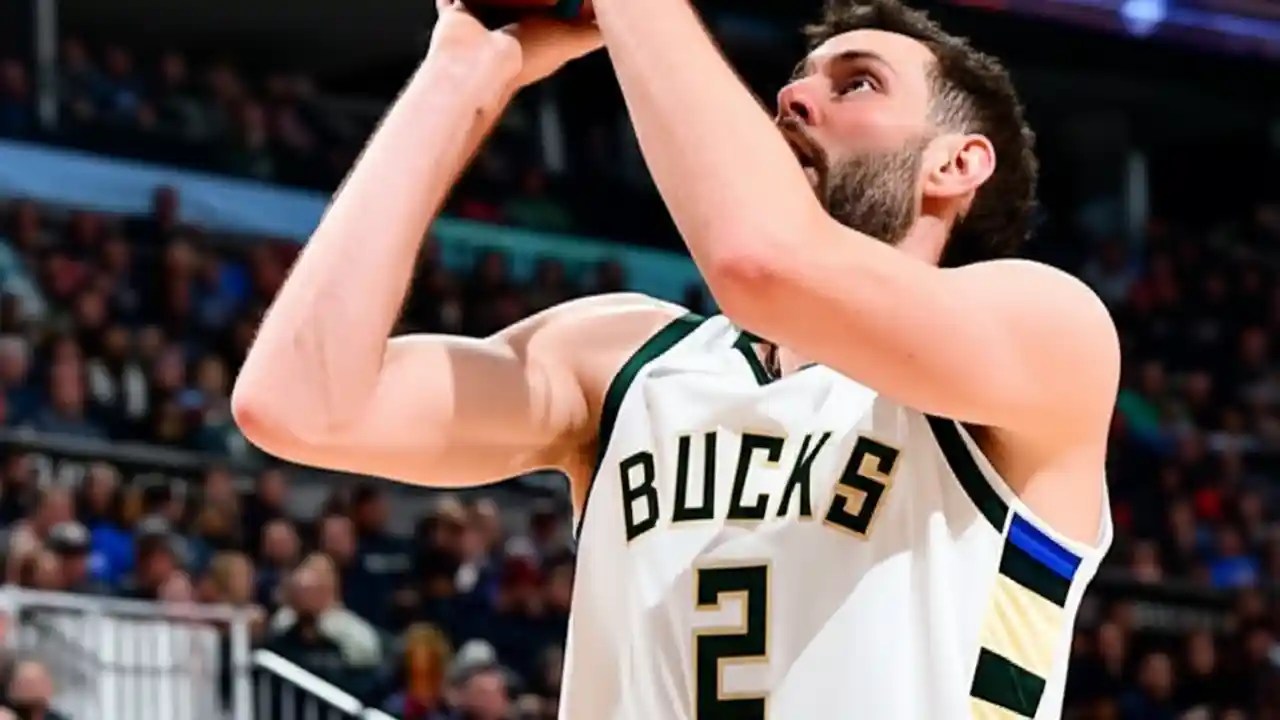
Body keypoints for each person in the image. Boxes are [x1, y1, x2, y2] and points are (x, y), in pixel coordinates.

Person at [233, 0, 1118, 717]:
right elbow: (301, 404)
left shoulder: (1045, 335)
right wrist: (464, 72)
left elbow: (760, 262)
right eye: (797, 80)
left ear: (957, 164)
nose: (792, 98)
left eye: (856, 84)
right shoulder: (625, 360)